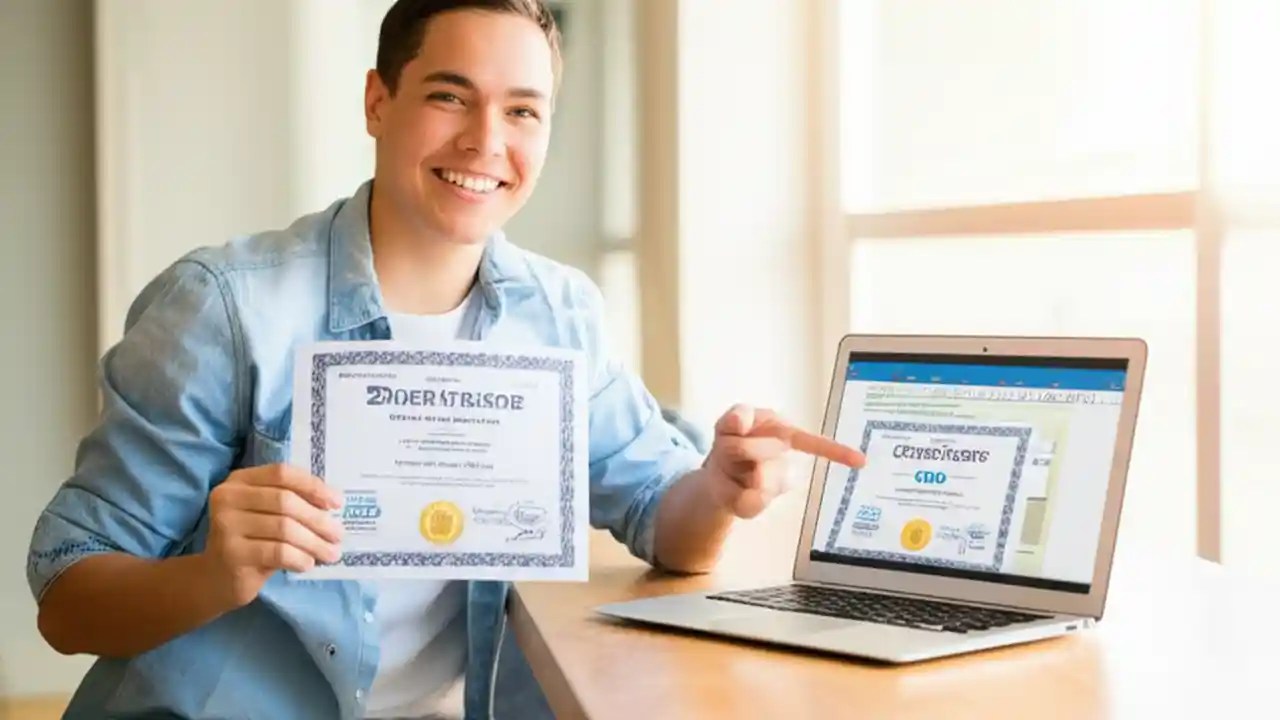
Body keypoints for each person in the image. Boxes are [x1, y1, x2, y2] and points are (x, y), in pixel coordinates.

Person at [26, 1, 865, 718]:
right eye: (448, 96)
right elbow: (67, 600)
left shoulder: (560, 313)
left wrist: (719, 488)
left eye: (523, 111)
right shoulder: (224, 305)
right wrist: (216, 573)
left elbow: (662, 521)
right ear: (377, 102)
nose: (484, 142)